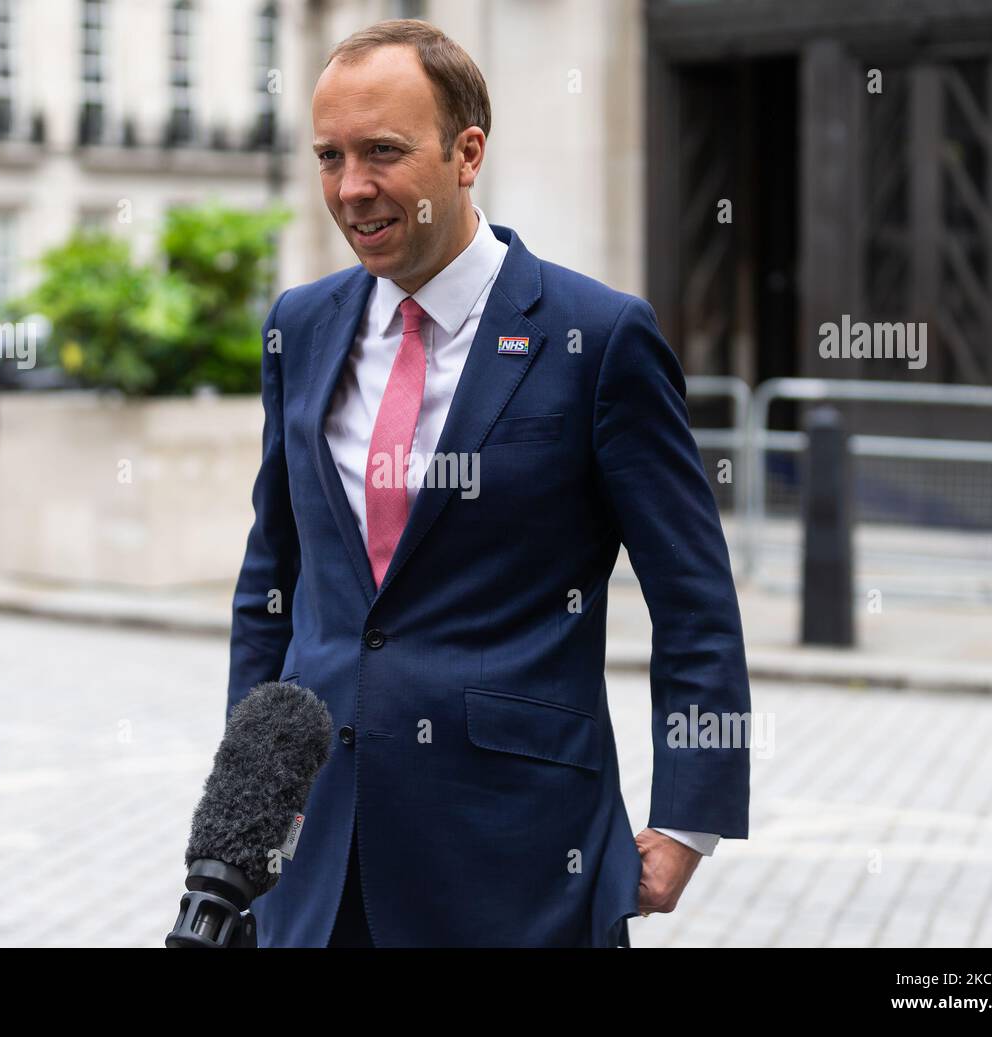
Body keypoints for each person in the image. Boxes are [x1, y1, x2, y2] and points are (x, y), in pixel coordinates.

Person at [226, 18, 750, 947]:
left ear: (467, 153)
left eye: (383, 151)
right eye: (330, 157)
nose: (352, 189)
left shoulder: (599, 335)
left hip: (521, 860)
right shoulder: (299, 327)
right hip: (314, 868)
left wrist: (687, 821)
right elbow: (273, 586)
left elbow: (695, 596)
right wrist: (244, 816)